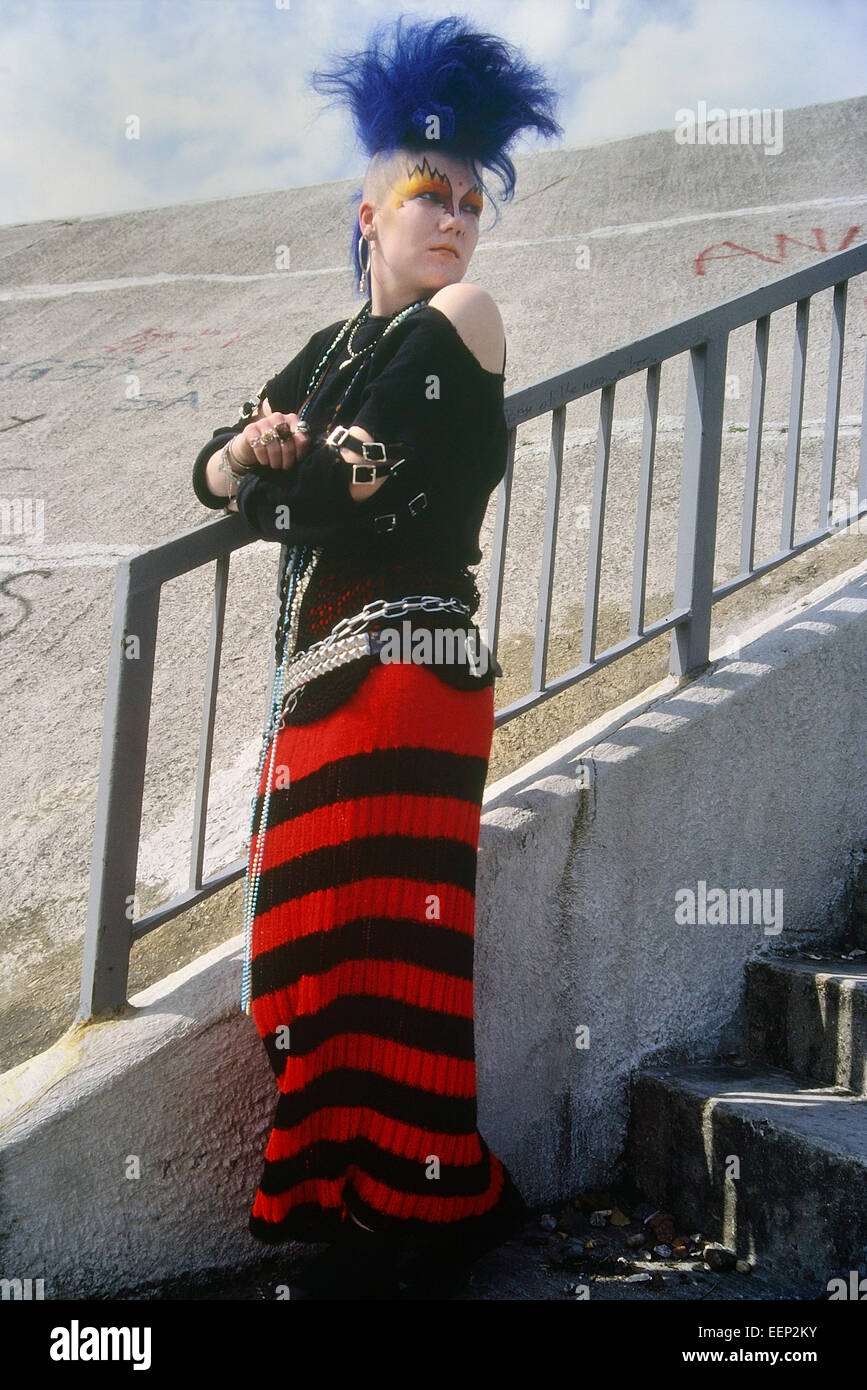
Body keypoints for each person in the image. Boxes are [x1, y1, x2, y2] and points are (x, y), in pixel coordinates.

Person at [191, 14, 562, 1299]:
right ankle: (359, 1200)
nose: (455, 216)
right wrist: (247, 455)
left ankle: (433, 1201)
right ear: (368, 213)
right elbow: (211, 466)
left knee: (395, 952)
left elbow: (334, 502)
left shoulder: (465, 316)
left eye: (471, 199)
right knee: (315, 956)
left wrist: (268, 473)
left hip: (411, 682)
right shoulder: (337, 348)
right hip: (327, 694)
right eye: (428, 193)